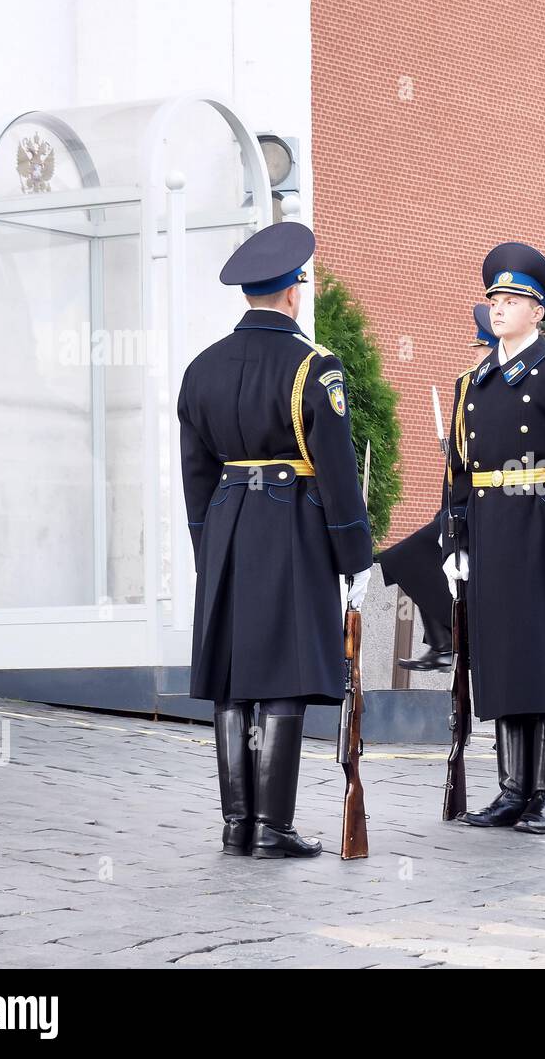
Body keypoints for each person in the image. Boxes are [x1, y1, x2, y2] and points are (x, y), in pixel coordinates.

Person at [177, 221, 373, 858]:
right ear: (295, 292)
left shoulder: (201, 368)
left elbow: (196, 472)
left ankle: (237, 825)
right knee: (282, 674)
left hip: (229, 523)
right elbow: (339, 472)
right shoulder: (314, 367)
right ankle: (272, 829)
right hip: (290, 523)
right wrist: (355, 553)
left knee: (235, 676)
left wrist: (208, 546)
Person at [440, 242, 545, 834]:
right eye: (493, 298)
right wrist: (453, 542)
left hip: (543, 532)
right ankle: (511, 789)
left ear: (537, 312)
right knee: (503, 662)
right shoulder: (471, 383)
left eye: (512, 299)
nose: (498, 307)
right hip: (491, 536)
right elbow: (459, 469)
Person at [378, 307, 500, 672]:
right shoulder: (469, 384)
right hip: (463, 502)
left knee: (410, 554)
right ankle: (444, 641)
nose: (474, 353)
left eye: (479, 346)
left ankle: (449, 640)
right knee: (401, 557)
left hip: (491, 503)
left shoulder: (495, 385)